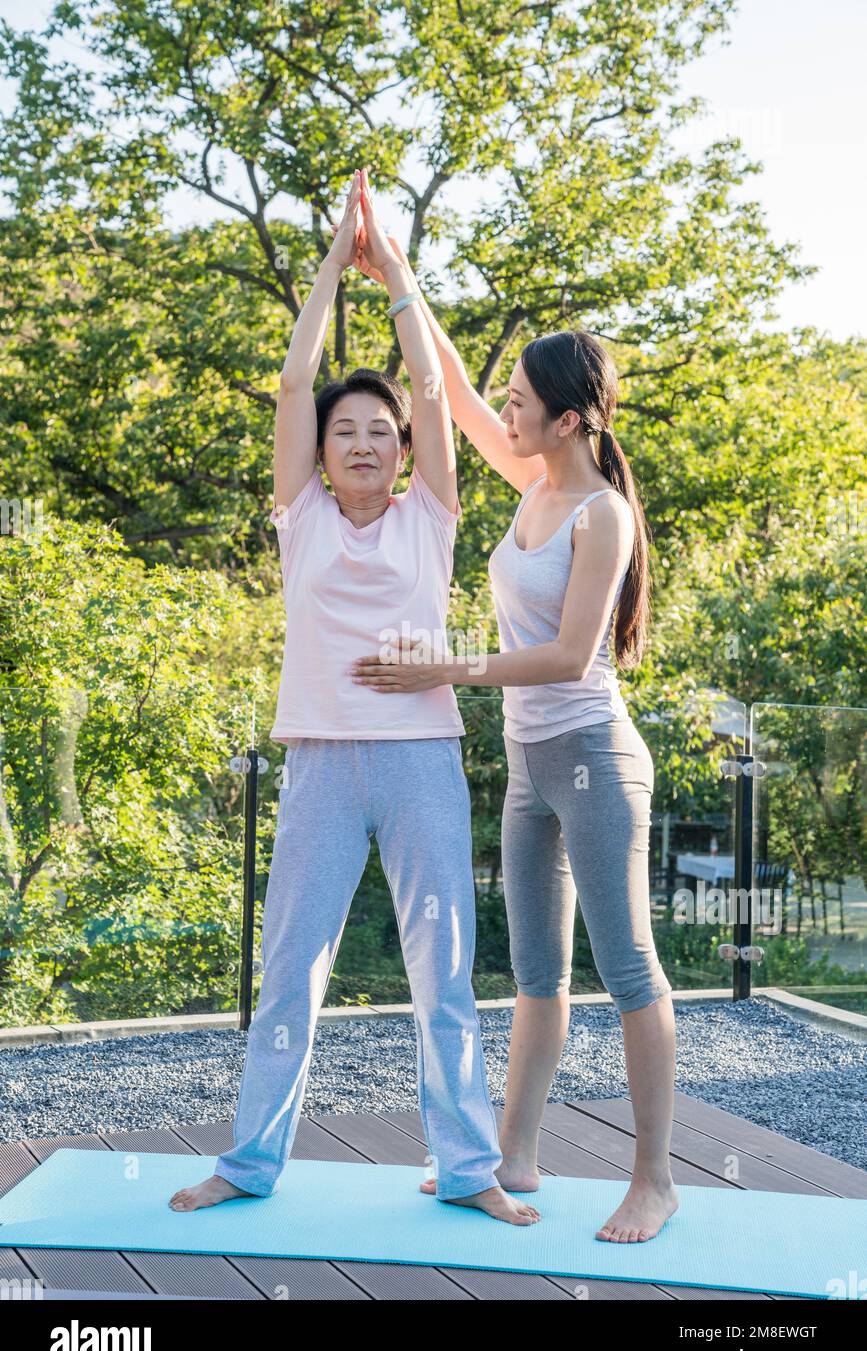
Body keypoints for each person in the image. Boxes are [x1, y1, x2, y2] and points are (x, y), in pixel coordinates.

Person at [169, 169, 539, 1226]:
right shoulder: (307, 520)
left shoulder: (432, 514)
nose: (365, 440)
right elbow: (294, 388)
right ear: (324, 457)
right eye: (346, 433)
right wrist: (336, 259)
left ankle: (469, 1170)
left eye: (380, 429)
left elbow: (432, 388)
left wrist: (400, 274)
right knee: (291, 971)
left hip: (421, 754)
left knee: (446, 974)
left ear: (404, 450)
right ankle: (246, 1163)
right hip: (322, 760)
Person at [351, 181, 678, 1242]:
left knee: (627, 968)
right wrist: (399, 277)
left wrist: (447, 668)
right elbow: (442, 383)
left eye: (525, 398)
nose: (508, 408)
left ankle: (656, 1177)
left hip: (590, 755)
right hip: (530, 764)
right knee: (535, 972)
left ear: (570, 416)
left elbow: (570, 654)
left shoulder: (601, 512)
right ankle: (518, 1150)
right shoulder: (532, 475)